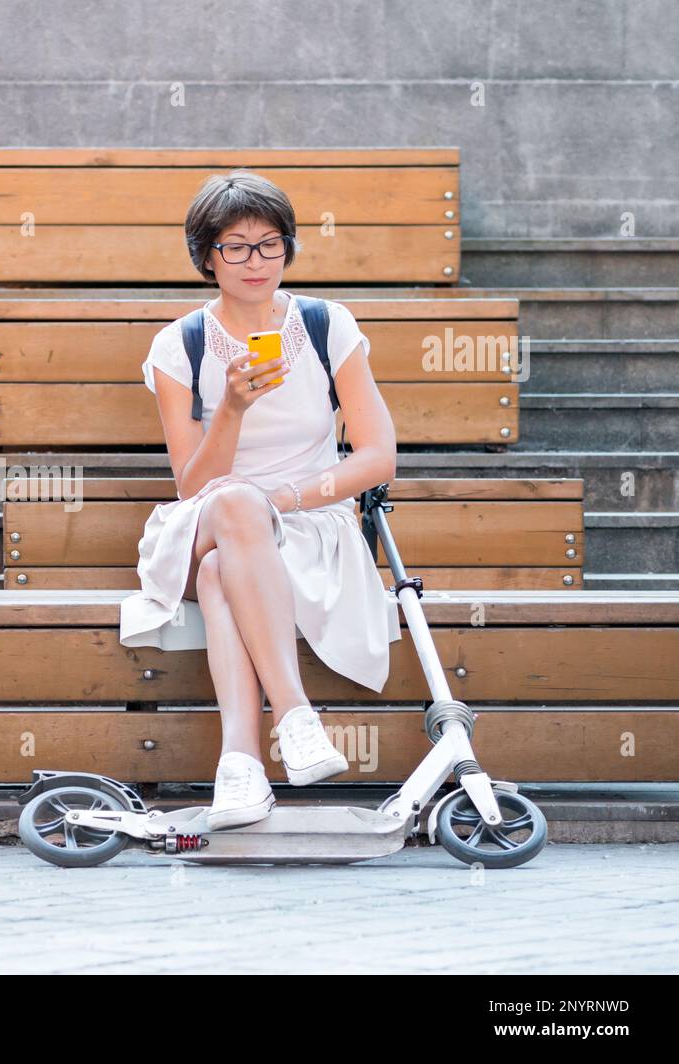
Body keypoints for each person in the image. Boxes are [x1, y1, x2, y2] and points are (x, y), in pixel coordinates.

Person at [117, 169, 402, 830]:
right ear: (206, 257)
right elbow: (194, 486)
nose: (255, 262)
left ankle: (240, 766)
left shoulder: (328, 326)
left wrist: (285, 496)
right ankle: (296, 715)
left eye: (269, 244)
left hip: (304, 525)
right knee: (234, 508)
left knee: (229, 564)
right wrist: (233, 412)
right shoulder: (180, 345)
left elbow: (377, 456)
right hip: (203, 523)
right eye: (236, 247)